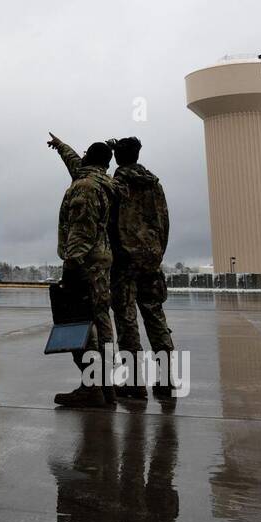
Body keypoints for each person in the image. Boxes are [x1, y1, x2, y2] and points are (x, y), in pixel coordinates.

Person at [47, 133, 117, 408]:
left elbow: (82, 227)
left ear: (91, 158)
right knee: (101, 320)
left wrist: (72, 265)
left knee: (81, 323)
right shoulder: (101, 180)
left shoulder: (85, 187)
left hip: (84, 261)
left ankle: (92, 386)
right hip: (100, 260)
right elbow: (75, 161)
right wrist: (61, 146)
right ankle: (105, 384)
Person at [108, 136, 174, 397]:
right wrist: (156, 253)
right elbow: (164, 221)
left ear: (117, 158)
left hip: (124, 262)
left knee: (127, 321)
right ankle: (166, 378)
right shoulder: (154, 185)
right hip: (151, 259)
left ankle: (135, 382)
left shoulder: (117, 185)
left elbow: (110, 223)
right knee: (155, 317)